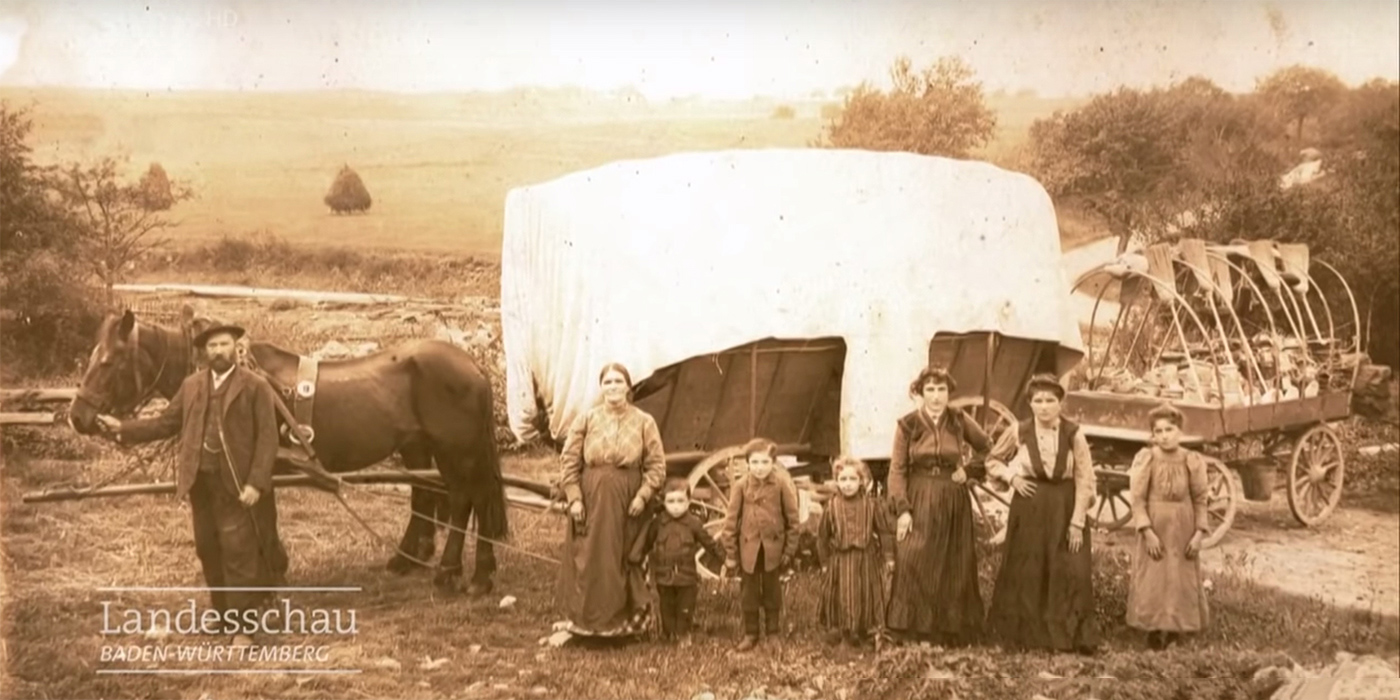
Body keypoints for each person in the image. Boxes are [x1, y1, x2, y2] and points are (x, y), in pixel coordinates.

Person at [96, 324, 288, 647]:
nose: (218, 351)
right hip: (200, 482)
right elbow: (165, 424)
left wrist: (256, 483)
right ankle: (223, 615)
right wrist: (124, 428)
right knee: (208, 548)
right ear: (204, 352)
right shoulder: (192, 385)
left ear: (236, 348)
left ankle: (244, 627)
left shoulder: (255, 386)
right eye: (212, 346)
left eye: (224, 344)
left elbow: (268, 440)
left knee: (238, 551)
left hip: (236, 484)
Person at [985, 373, 1100, 654]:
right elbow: (992, 460)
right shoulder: (1019, 430)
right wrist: (1012, 477)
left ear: (1060, 403)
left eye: (1050, 400)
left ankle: (1067, 637)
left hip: (1064, 506)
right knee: (1028, 568)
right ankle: (1026, 637)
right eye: (1038, 401)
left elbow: (1085, 477)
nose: (1044, 407)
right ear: (1030, 404)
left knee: (1069, 568)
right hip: (1030, 505)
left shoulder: (1074, 434)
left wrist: (1077, 522)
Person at [557, 362, 667, 639]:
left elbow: (656, 465)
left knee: (622, 558)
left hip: (628, 500)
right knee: (588, 558)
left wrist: (643, 496)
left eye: (618, 381)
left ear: (628, 386)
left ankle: (624, 627)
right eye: (608, 382)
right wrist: (575, 498)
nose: (613, 387)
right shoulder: (586, 419)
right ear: (601, 387)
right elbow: (569, 461)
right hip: (591, 498)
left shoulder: (644, 421)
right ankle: (585, 625)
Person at [885, 366, 991, 646]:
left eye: (941, 389)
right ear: (920, 393)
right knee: (913, 557)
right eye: (929, 390)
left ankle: (949, 630)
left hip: (953, 497)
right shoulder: (908, 425)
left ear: (949, 392)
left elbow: (986, 447)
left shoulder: (959, 419)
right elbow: (897, 469)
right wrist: (903, 509)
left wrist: (970, 470)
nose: (936, 396)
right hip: (919, 495)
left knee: (953, 562)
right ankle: (913, 629)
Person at [1126, 404, 1212, 650]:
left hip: (1183, 526)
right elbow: (1137, 499)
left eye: (1169, 430)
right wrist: (1147, 531)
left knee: (1179, 578)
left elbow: (1200, 499)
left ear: (1180, 431)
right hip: (1156, 525)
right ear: (1153, 434)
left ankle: (1176, 629)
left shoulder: (1191, 460)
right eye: (1159, 431)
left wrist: (1198, 533)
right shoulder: (1148, 458)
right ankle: (1153, 630)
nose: (1164, 436)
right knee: (1154, 577)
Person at [722, 438, 800, 652]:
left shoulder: (781, 484)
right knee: (749, 592)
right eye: (755, 462)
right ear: (748, 463)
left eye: (765, 462)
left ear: (773, 463)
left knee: (772, 591)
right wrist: (731, 553)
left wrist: (789, 550)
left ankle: (773, 632)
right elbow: (731, 520)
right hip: (749, 549)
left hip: (773, 550)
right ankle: (751, 633)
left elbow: (793, 520)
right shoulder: (741, 486)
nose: (759, 468)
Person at [628, 477, 725, 645]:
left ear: (689, 502)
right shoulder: (658, 523)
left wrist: (724, 558)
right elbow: (647, 543)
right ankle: (668, 633)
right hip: (664, 576)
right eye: (671, 501)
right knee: (666, 607)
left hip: (687, 577)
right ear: (664, 502)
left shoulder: (694, 524)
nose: (676, 506)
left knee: (685, 607)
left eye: (680, 501)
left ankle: (684, 634)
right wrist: (636, 557)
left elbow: (709, 543)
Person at [816, 456, 894, 648]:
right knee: (844, 595)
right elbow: (822, 537)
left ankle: (865, 631)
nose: (848, 484)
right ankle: (846, 634)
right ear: (836, 481)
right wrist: (825, 563)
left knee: (866, 594)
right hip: (841, 561)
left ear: (862, 481)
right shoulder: (832, 507)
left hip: (866, 560)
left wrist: (889, 557)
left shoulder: (871, 505)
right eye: (843, 479)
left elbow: (883, 532)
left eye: (852, 479)